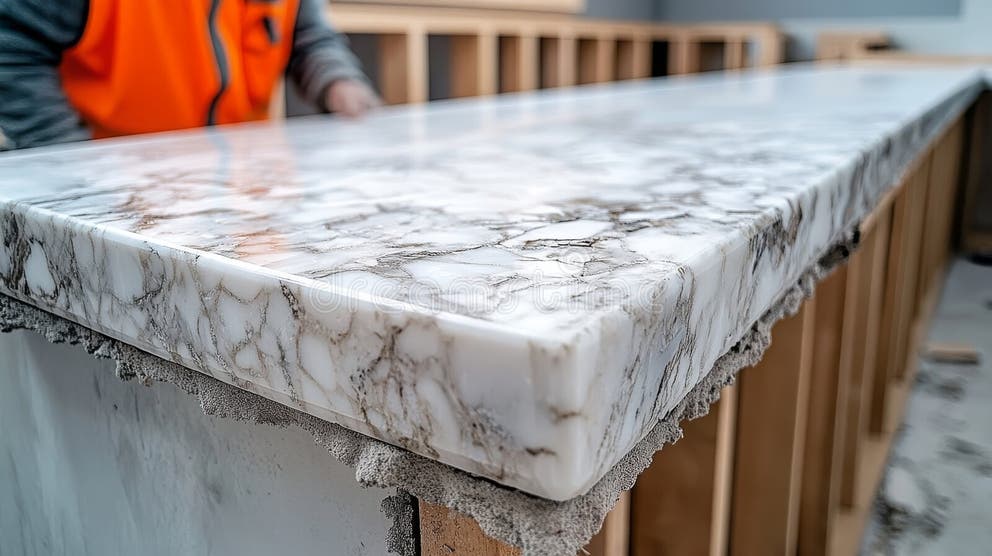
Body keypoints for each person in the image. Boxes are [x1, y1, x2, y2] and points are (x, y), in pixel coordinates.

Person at [0, 0, 380, 150]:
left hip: (245, 199)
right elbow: (11, 43)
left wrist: (338, 83)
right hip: (117, 194)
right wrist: (70, 163)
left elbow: (306, 33)